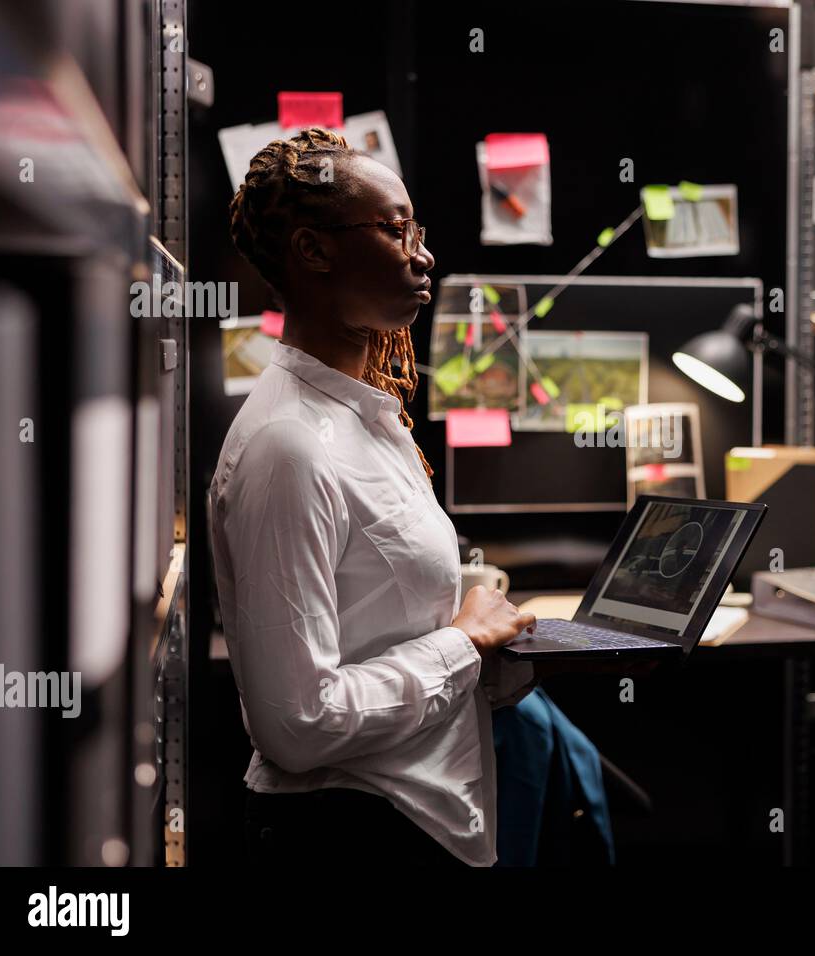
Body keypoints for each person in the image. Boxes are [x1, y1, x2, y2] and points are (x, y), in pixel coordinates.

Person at [211, 127, 539, 867]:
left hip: (408, 819)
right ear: (312, 250)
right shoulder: (286, 446)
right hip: (350, 833)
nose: (422, 253)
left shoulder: (364, 417)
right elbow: (296, 725)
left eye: (415, 229)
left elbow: (386, 638)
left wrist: (506, 653)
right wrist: (463, 640)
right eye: (394, 229)